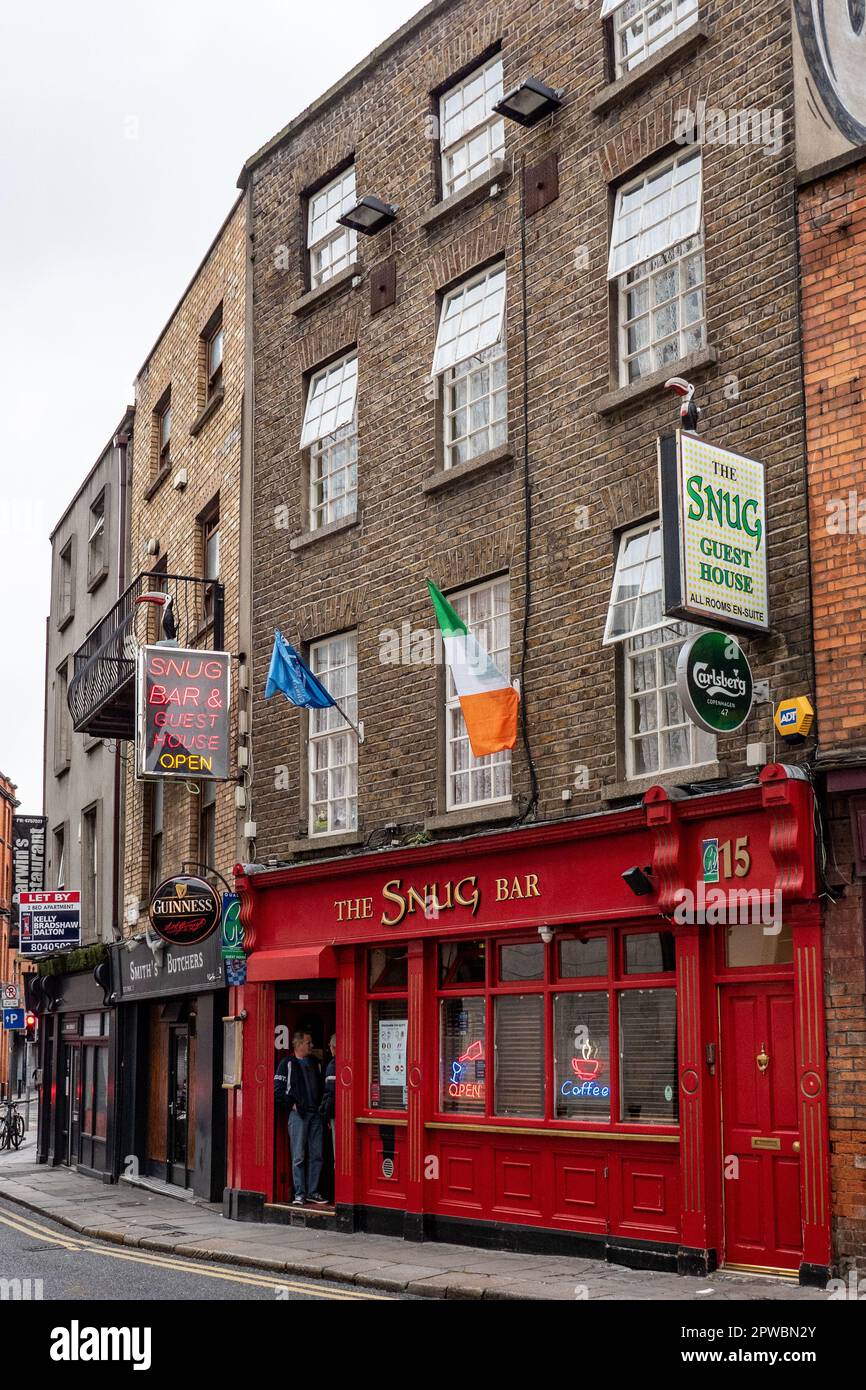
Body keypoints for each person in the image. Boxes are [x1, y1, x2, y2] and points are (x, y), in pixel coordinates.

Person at [274, 1030, 326, 1206]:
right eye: (308, 1042)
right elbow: (278, 1091)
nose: (311, 1046)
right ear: (298, 1044)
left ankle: (312, 1192)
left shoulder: (316, 1064)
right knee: (298, 1156)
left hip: (316, 1114)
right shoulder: (286, 1063)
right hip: (299, 1115)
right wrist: (292, 1105)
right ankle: (299, 1193)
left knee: (317, 1155)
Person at [321, 1033, 336, 1147]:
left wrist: (325, 1115)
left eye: (330, 1046)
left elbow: (330, 1094)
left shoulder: (332, 1065)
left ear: (334, 1047)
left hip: (335, 1115)